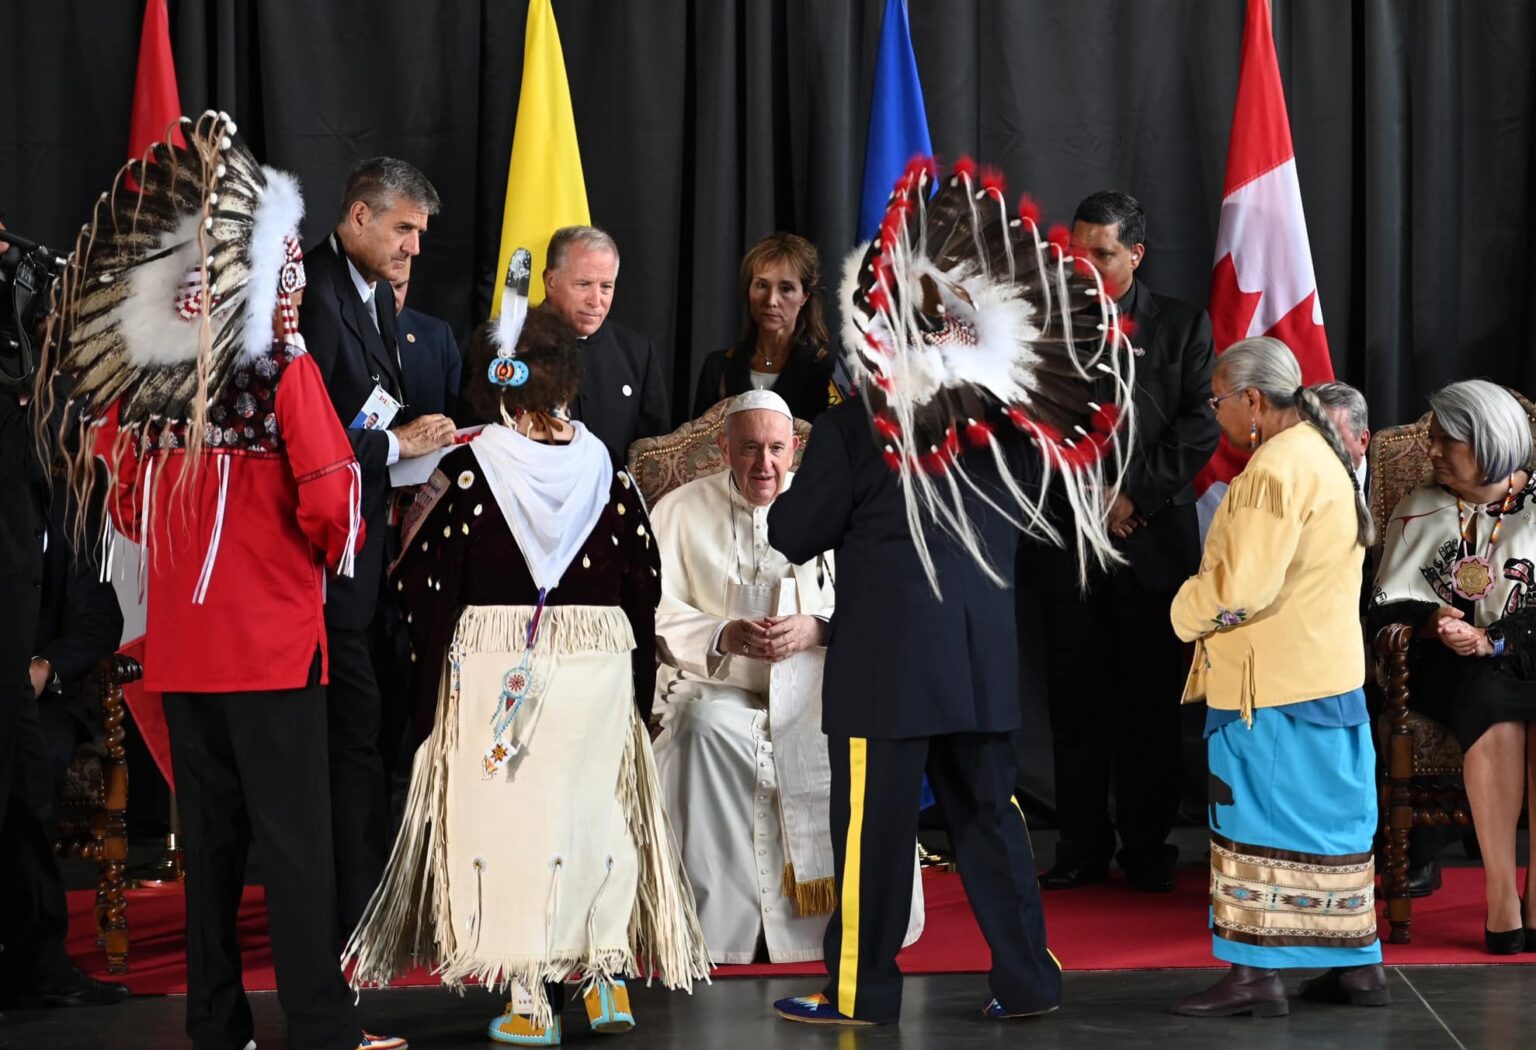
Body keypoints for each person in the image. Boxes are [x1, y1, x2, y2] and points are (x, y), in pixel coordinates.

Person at [46, 114, 401, 1048]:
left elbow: (125, 512)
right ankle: (320, 1025)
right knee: (294, 847)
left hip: (183, 654)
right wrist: (323, 558)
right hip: (274, 652)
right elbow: (333, 499)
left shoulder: (150, 397)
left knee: (207, 848)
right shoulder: (284, 376)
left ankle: (217, 1024)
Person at [769, 159, 1136, 1025]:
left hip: (887, 674)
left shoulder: (856, 427)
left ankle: (860, 993)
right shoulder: (1001, 425)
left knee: (874, 842)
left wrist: (799, 473)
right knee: (991, 827)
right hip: (978, 665)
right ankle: (1030, 980)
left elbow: (792, 536)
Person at [344, 299, 709, 1046]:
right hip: (598, 661)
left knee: (511, 826)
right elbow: (644, 577)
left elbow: (419, 579)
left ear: (496, 387)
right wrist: (635, 685)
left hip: (495, 662)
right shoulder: (606, 467)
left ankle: (529, 999)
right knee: (596, 813)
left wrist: (428, 682)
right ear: (568, 382)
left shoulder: (466, 472)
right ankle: (606, 980)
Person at [650, 389, 923, 964]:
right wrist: (721, 635)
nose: (763, 465)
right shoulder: (676, 510)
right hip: (719, 686)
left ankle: (832, 925)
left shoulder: (831, 504)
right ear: (723, 448)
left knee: (847, 737)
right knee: (701, 728)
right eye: (748, 448)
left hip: (816, 683)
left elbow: (878, 597)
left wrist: (819, 628)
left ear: (794, 450)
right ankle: (718, 926)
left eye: (776, 449)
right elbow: (651, 607)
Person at [1168, 336, 1385, 1018]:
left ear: (1253, 400)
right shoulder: (1325, 455)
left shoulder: (1272, 469)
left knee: (1255, 825)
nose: (1217, 412)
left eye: (1219, 400)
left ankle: (1255, 976)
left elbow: (1243, 590)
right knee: (1332, 826)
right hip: (1329, 677)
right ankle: (1358, 968)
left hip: (1270, 689)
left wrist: (1184, 610)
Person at [1032, 190, 1219, 894]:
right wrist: (1090, 504)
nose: (1084, 264)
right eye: (1075, 251)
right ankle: (1080, 846)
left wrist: (1133, 497)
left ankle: (1146, 846)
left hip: (1150, 548)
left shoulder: (1182, 325)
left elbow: (1200, 426)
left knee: (1150, 707)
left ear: (1134, 255)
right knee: (1075, 706)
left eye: (1101, 253)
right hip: (1069, 543)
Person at [300, 156, 457, 936]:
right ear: (358, 216)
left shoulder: (369, 298)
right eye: (403, 229)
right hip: (322, 569)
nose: (413, 250)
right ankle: (356, 918)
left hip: (373, 563)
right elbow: (306, 443)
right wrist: (396, 444)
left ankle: (370, 906)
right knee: (350, 742)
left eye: (420, 235)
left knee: (372, 736)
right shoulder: (313, 297)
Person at [0, 234, 129, 1013]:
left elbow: (97, 612)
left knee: (23, 785)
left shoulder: (58, 468)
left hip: (27, 670)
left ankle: (37, 962)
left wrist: (43, 664)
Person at [1368, 379, 1536, 953]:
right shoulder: (1421, 506)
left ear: (1489, 444)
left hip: (1524, 652)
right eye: (1432, 440)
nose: (1432, 452)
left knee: (1514, 689)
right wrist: (1435, 619)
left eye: (1447, 442)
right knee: (1492, 702)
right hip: (1448, 668)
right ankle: (1501, 896)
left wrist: (1499, 640)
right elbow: (1382, 604)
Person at [31, 470, 124, 828]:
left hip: (40, 701)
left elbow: (99, 619)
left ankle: (24, 880)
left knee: (33, 752)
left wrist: (46, 666)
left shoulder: (69, 492)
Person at [539, 225, 669, 465]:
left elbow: (654, 457)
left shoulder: (638, 354)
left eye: (606, 287)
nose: (595, 300)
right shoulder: (506, 348)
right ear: (551, 281)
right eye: (583, 284)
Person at [691, 234, 835, 423]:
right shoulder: (718, 367)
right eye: (761, 285)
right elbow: (697, 447)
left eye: (786, 288)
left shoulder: (826, 369)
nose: (771, 301)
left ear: (804, 297)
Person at [392, 270, 462, 422]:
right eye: (382, 287)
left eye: (399, 286)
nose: (391, 298)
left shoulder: (437, 336)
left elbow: (462, 418)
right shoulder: (339, 333)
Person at [1312, 381, 1370, 490]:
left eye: (1333, 442)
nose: (1321, 452)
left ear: (1363, 441)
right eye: (1314, 440)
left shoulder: (1393, 487)